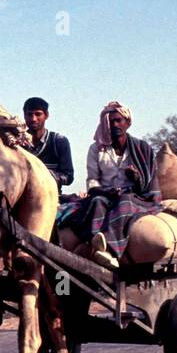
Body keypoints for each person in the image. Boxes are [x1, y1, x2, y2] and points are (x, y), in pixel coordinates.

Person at [60, 102, 161, 269]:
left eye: (119, 120)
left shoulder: (142, 148)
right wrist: (105, 191)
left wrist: (136, 177)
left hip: (135, 196)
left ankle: (111, 250)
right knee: (95, 202)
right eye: (111, 121)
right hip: (105, 194)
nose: (114, 125)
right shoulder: (96, 149)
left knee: (124, 201)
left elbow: (148, 180)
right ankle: (95, 244)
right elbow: (92, 180)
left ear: (128, 123)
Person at [22, 97, 74, 190]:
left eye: (38, 114)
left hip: (50, 198)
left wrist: (40, 175)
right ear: (24, 116)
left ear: (46, 115)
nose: (33, 119)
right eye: (29, 114)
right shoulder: (17, 143)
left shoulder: (59, 141)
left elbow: (68, 177)